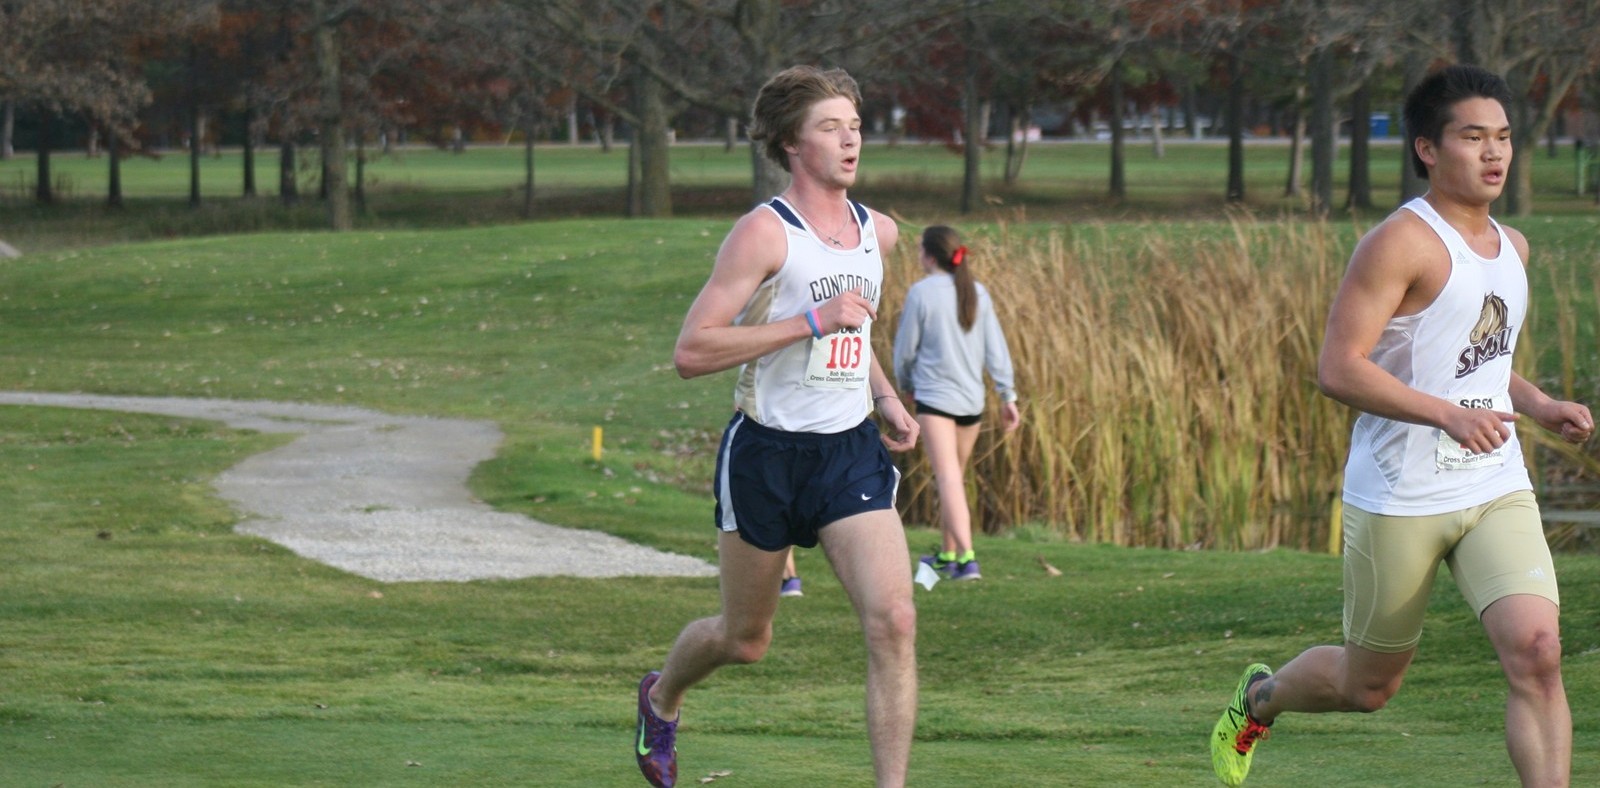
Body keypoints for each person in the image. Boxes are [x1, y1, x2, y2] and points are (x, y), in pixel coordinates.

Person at [1209, 64, 1592, 787]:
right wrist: (1446, 414)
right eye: (1473, 137)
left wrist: (1538, 403)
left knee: (1538, 651)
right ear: (1427, 148)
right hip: (1402, 491)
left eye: (1503, 137)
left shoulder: (1514, 246)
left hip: (1495, 481)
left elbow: (1475, 358)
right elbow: (1340, 367)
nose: (1494, 154)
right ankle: (1260, 698)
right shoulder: (1400, 244)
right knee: (1368, 687)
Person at [634, 65, 920, 788]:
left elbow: (850, 328)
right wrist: (807, 322)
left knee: (894, 619)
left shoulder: (877, 232)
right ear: (792, 143)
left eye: (855, 124)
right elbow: (692, 351)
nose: (850, 139)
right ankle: (662, 696)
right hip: (765, 454)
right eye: (831, 126)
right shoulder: (764, 235)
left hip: (849, 454)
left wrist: (883, 395)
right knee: (745, 639)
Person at [892, 227, 1021, 581]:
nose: (918, 254)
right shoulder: (977, 292)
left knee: (947, 478)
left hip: (934, 401)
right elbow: (997, 349)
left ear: (930, 256)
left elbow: (904, 351)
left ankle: (967, 560)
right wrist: (1007, 396)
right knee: (954, 479)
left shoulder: (921, 293)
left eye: (920, 249)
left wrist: (904, 386)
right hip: (971, 404)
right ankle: (948, 554)